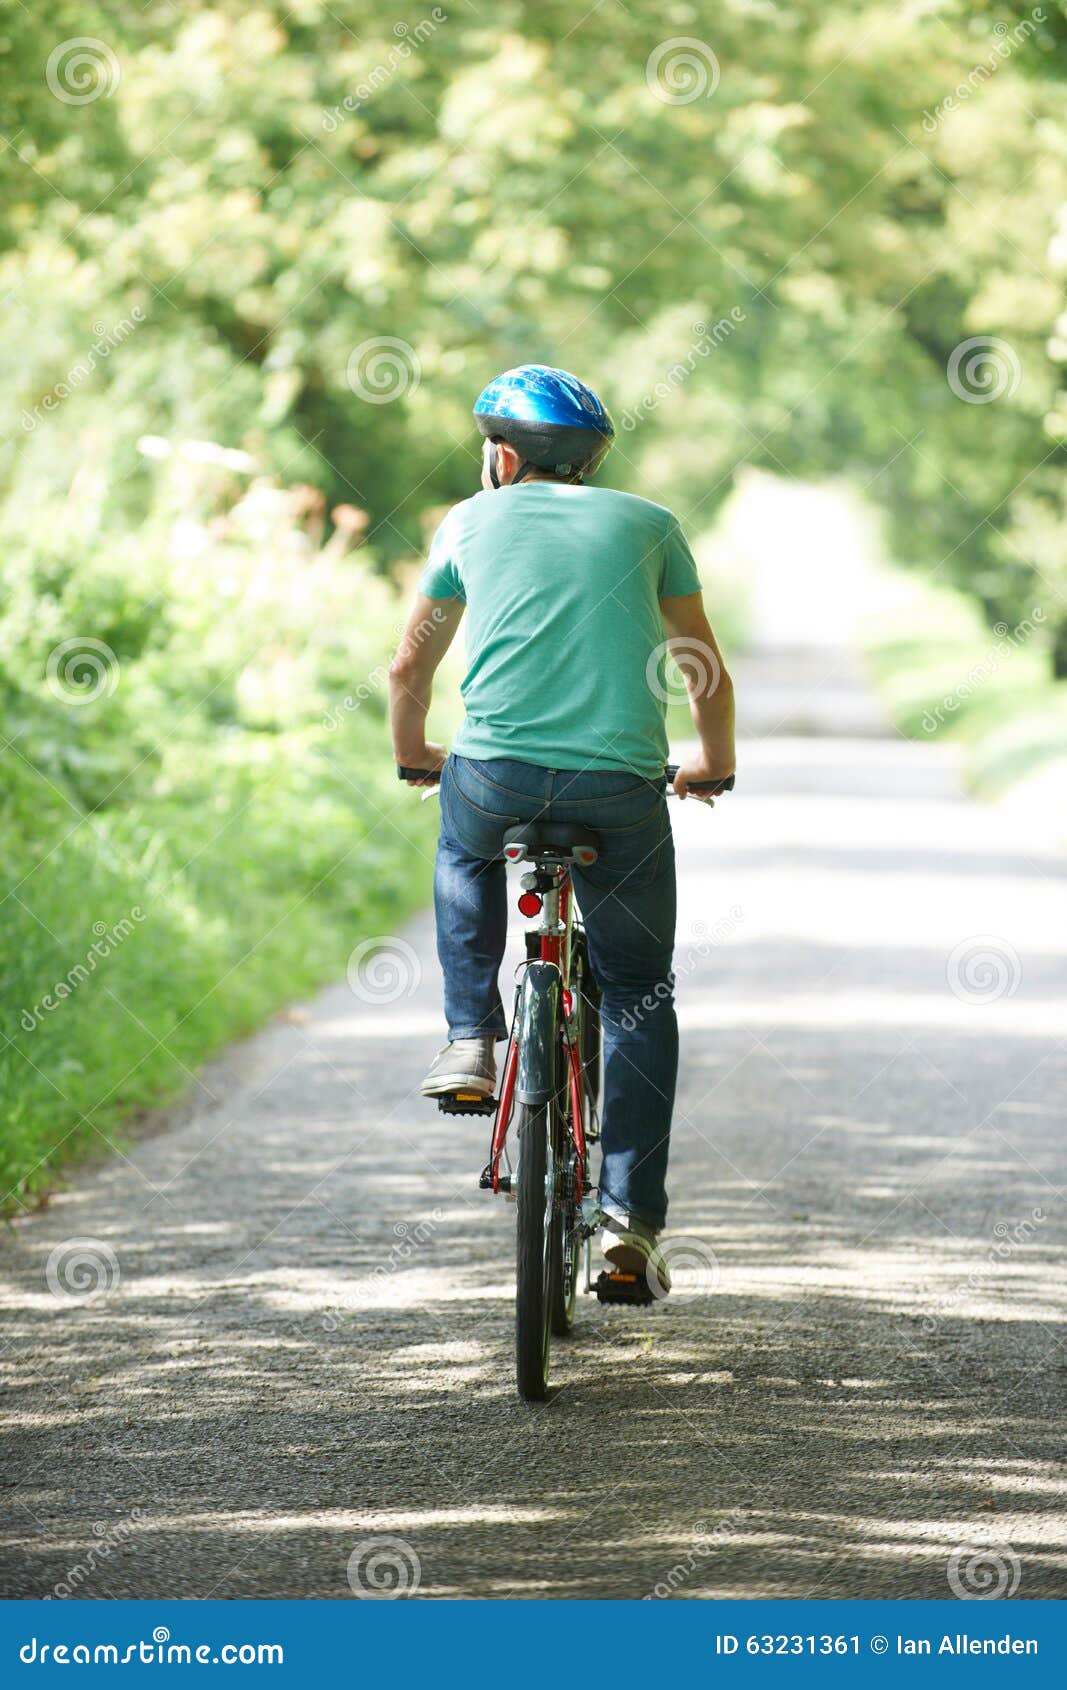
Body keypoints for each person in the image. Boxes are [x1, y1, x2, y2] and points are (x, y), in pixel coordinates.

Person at [388, 364, 735, 1291]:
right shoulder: (650, 524)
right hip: (619, 790)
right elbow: (701, 668)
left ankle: (471, 1035)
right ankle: (629, 1222)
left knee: (463, 845)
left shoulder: (466, 521)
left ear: (501, 456)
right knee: (635, 992)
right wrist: (712, 765)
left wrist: (416, 753)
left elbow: (405, 671)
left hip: (493, 778)